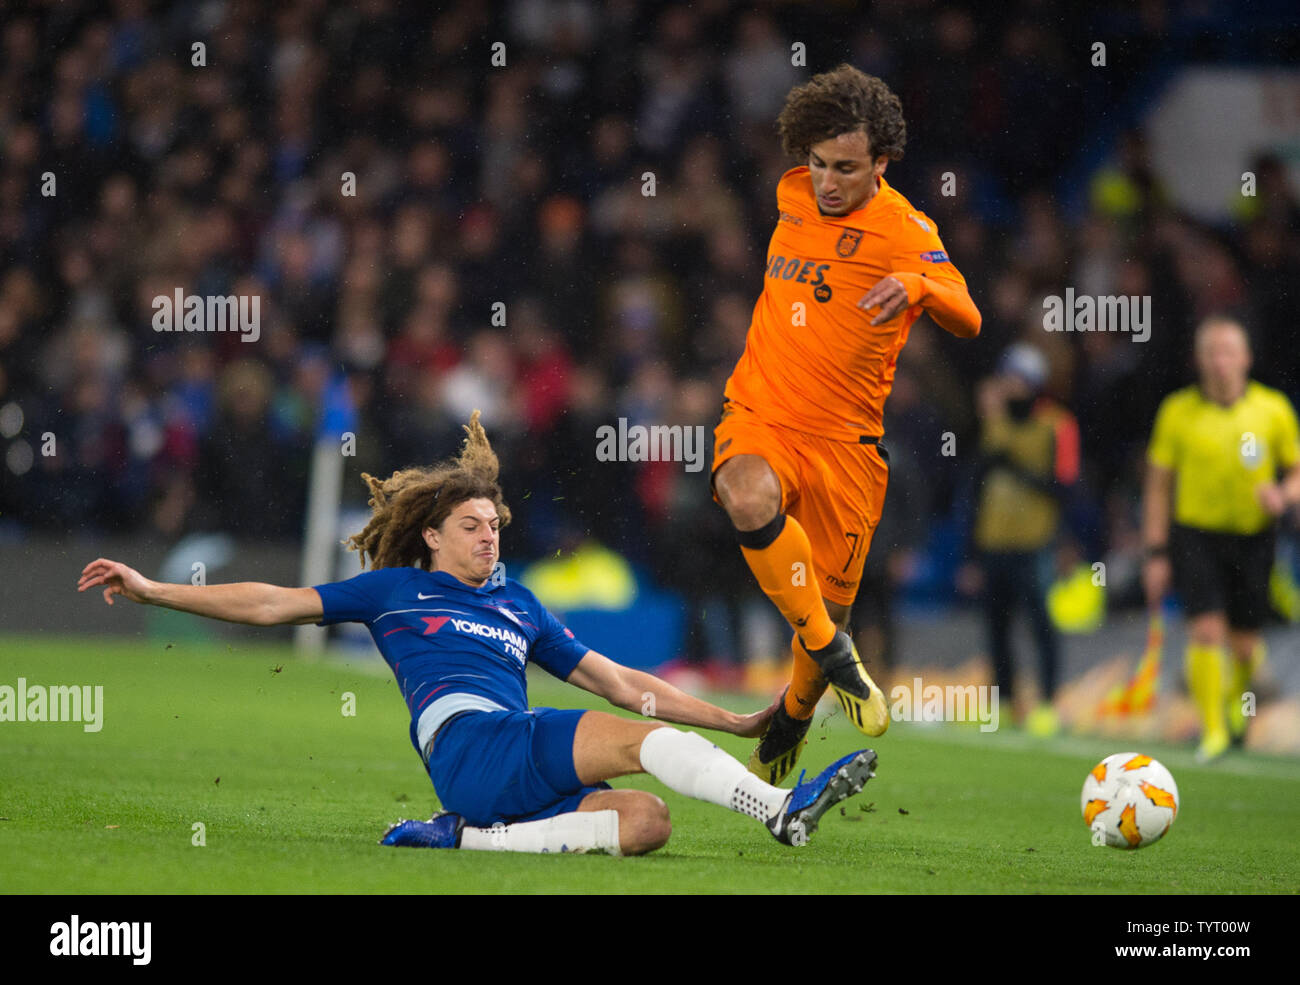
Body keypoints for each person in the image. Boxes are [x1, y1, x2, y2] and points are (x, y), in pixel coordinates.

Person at [78, 412, 877, 855]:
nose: (489, 537)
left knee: (646, 823)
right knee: (634, 741)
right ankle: (778, 809)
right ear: (431, 535)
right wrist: (155, 588)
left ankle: (464, 839)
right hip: (471, 744)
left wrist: (732, 717)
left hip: (507, 763)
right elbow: (270, 603)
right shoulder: (394, 591)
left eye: (494, 525)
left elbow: (622, 681)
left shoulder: (519, 605)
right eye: (472, 526)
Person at [710, 64, 982, 783]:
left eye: (847, 169)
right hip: (762, 413)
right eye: (820, 164)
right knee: (745, 495)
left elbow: (969, 315)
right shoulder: (791, 194)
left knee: (821, 601)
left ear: (881, 164)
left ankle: (796, 712)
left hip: (847, 446)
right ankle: (837, 649)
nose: (828, 182)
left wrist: (920, 285)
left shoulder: (906, 229)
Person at [1142, 316, 1300, 762]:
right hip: (1196, 534)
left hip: (1254, 537)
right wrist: (1156, 550)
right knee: (1207, 629)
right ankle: (1211, 731)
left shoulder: (1273, 410)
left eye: (1229, 351)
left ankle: (1233, 708)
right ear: (1199, 360)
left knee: (1245, 644)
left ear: (1246, 358)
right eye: (1212, 352)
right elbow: (1157, 485)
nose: (1220, 362)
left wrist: (1283, 495)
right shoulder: (1177, 411)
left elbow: (1295, 471)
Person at [966, 343, 1079, 735]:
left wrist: (1018, 471)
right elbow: (976, 486)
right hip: (994, 539)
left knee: (1041, 625)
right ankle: (1007, 703)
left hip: (1035, 541)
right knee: (996, 627)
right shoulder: (994, 421)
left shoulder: (1057, 425)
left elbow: (1066, 486)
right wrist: (971, 549)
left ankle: (1048, 702)